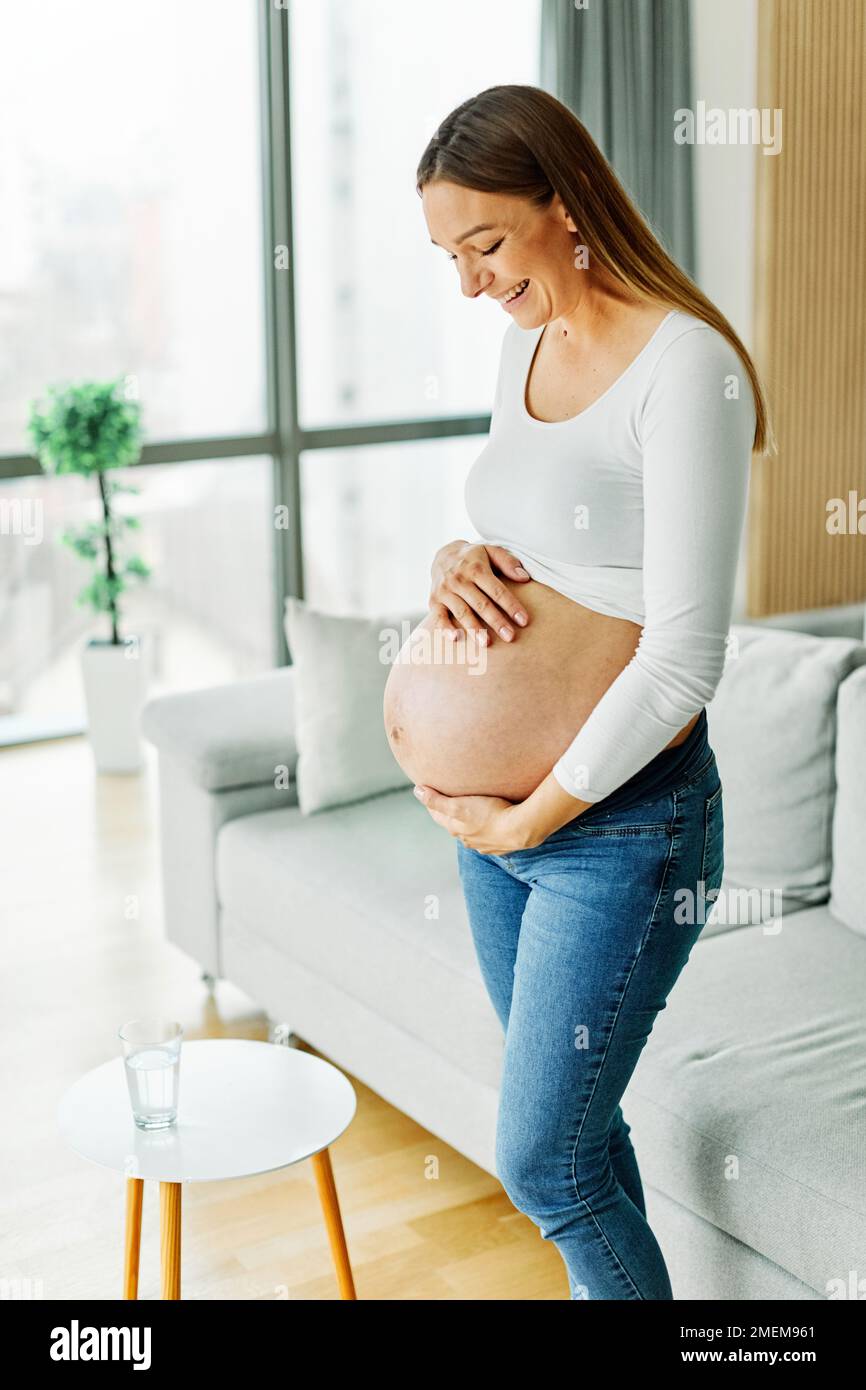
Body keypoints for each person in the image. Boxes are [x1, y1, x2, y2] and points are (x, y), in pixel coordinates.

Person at [410, 84, 772, 1300]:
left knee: (542, 1165)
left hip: (614, 832)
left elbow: (680, 655)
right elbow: (527, 535)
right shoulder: (523, 337)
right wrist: (449, 562)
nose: (469, 284)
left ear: (562, 206)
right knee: (579, 1139)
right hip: (499, 831)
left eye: (485, 246)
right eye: (447, 258)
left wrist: (532, 815)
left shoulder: (685, 366)